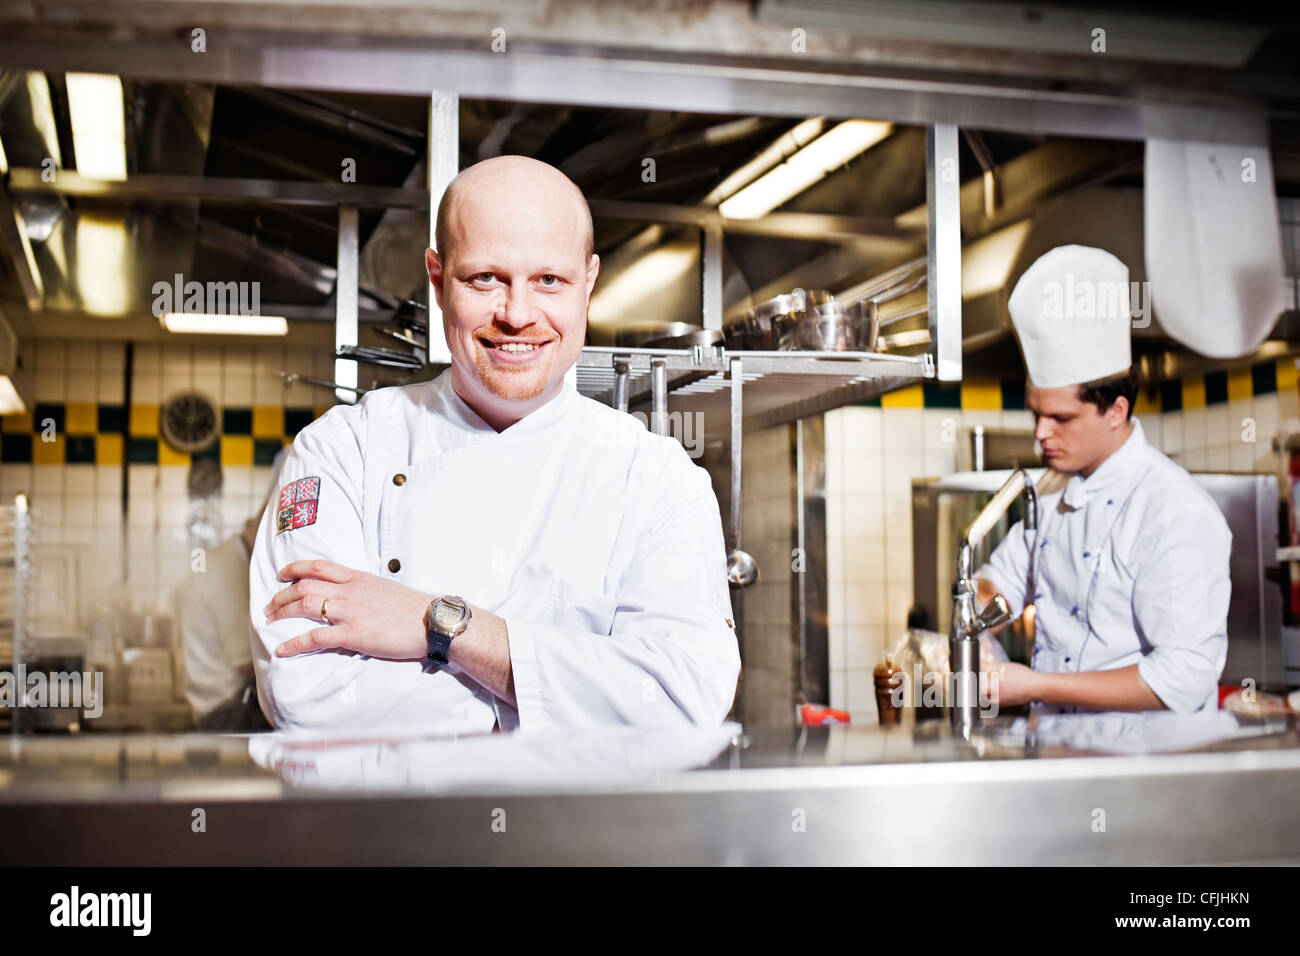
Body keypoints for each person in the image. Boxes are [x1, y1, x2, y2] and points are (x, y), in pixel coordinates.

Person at [249, 155, 741, 735]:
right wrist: (557, 694)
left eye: (549, 280)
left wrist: (441, 628)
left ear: (588, 283)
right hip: (398, 826)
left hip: (586, 828)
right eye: (485, 278)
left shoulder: (658, 479)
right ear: (437, 280)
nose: (517, 314)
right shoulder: (340, 452)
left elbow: (684, 699)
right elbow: (305, 694)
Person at [977, 245, 1231, 714]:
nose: (1040, 434)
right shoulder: (1054, 489)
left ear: (1117, 411)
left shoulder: (1174, 510)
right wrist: (971, 618)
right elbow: (1004, 581)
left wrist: (1035, 685)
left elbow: (1181, 680)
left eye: (1061, 418)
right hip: (1057, 752)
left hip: (1142, 769)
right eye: (1036, 415)